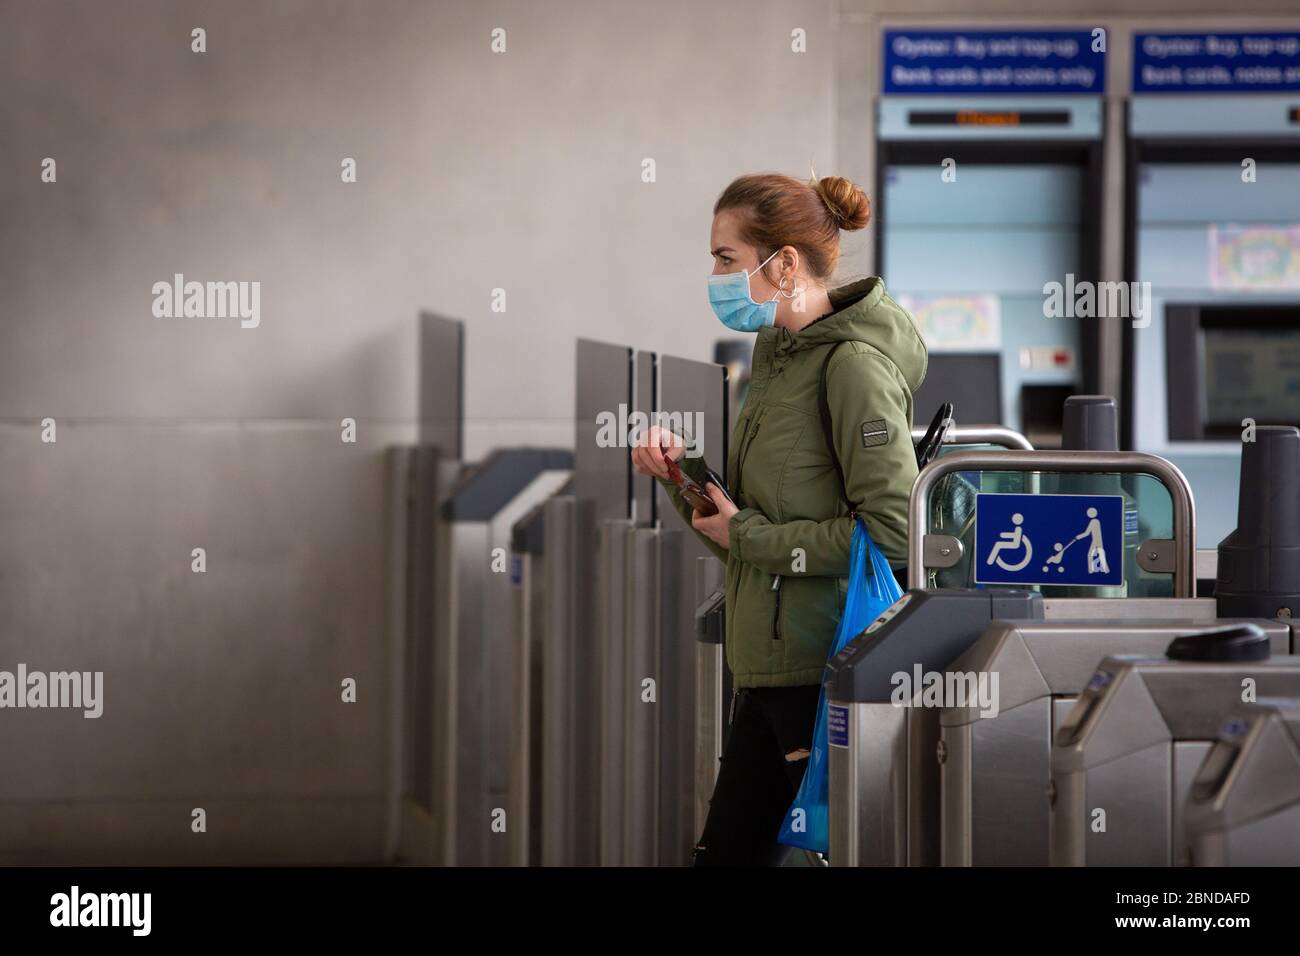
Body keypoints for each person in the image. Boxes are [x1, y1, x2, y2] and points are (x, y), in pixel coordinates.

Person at [631, 172, 927, 866]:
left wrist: (749, 535)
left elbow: (891, 533)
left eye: (726, 258)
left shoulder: (852, 368)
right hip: (766, 669)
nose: (714, 275)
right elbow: (754, 524)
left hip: (820, 673)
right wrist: (684, 477)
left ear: (784, 263)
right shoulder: (777, 360)